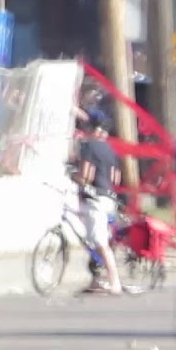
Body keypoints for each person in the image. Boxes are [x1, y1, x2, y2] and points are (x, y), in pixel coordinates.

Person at [73, 109, 124, 295]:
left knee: (98, 241)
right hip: (110, 198)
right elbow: (116, 178)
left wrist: (75, 176)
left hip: (95, 199)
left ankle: (115, 282)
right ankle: (96, 279)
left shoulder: (89, 147)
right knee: (96, 239)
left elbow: (85, 175)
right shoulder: (111, 150)